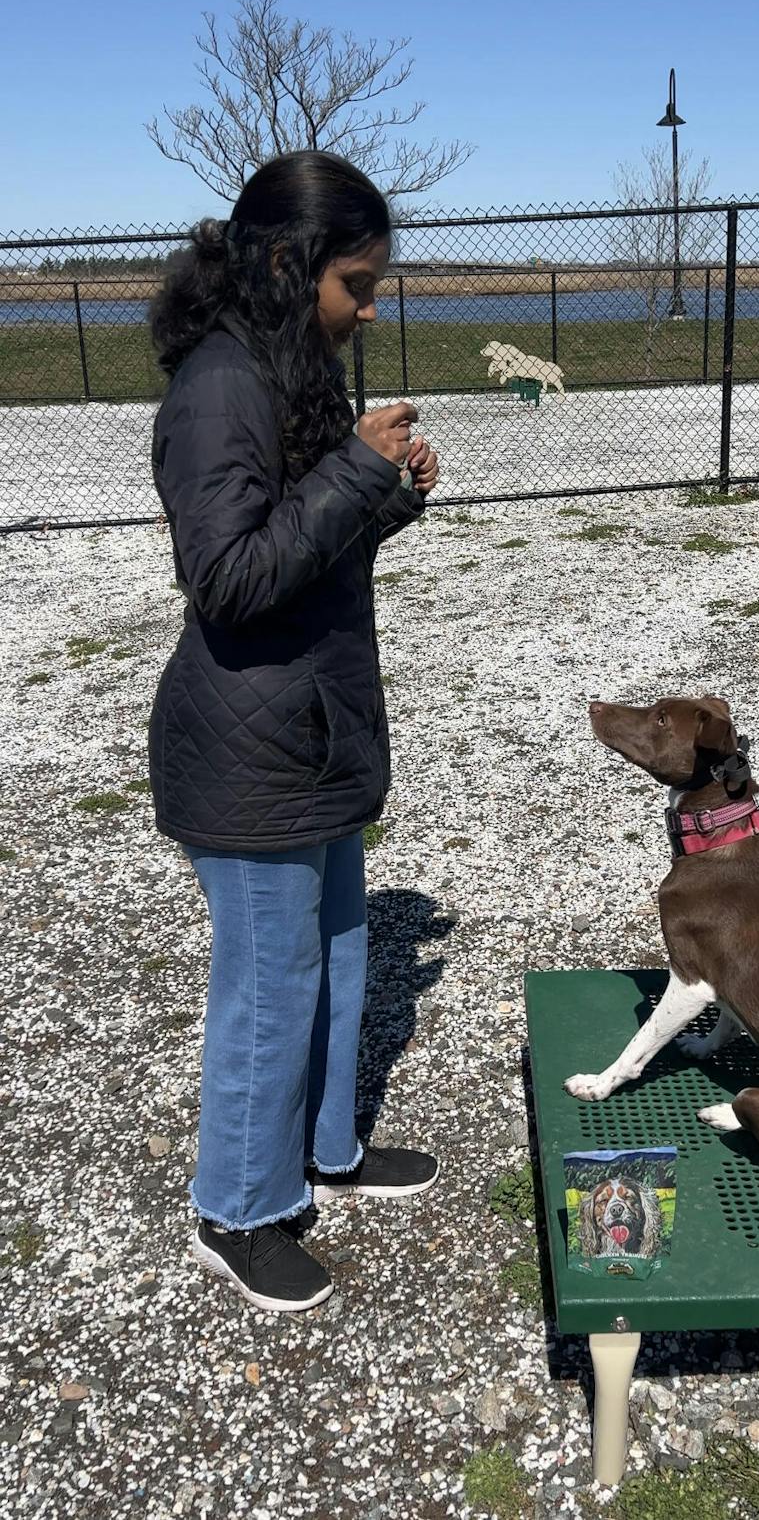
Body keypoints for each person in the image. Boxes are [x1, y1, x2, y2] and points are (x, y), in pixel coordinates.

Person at [148, 150, 439, 1313]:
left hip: (308, 731)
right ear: (286, 262)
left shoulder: (290, 359)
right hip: (247, 748)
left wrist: (388, 491)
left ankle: (323, 1149)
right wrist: (353, 476)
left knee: (336, 953)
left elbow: (304, 549)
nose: (369, 310)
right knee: (269, 986)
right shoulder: (221, 383)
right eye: (356, 285)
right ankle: (237, 1206)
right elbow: (227, 576)